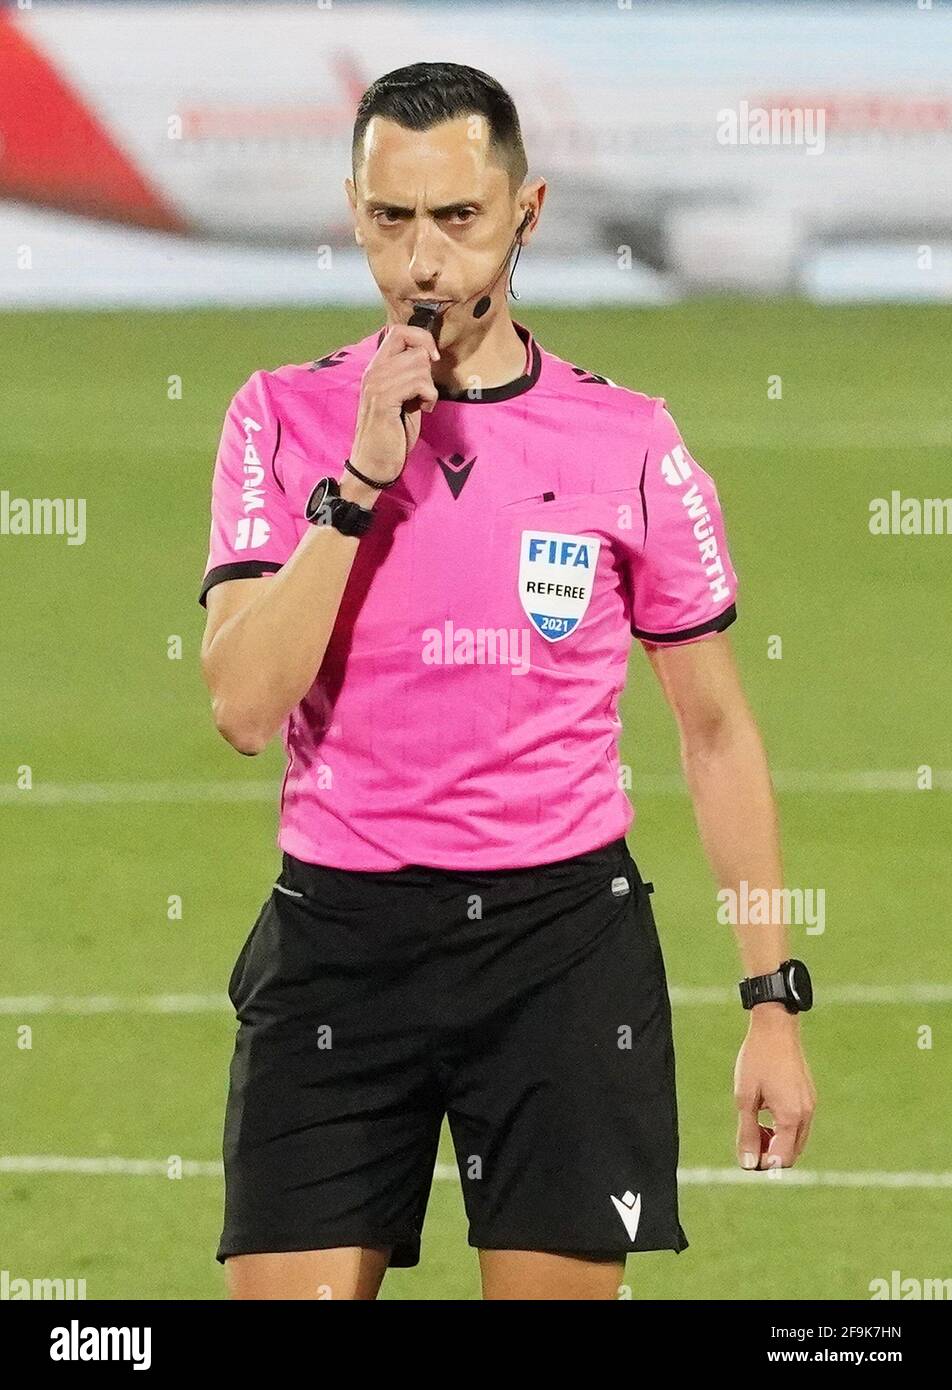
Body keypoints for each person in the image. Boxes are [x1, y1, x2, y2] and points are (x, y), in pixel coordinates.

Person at [198, 61, 816, 1301]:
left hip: (559, 955)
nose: (422, 261)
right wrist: (360, 484)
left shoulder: (627, 440)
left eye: (458, 219)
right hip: (339, 946)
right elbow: (244, 708)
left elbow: (714, 732)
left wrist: (770, 1000)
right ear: (355, 213)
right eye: (390, 220)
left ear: (524, 214)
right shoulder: (279, 418)